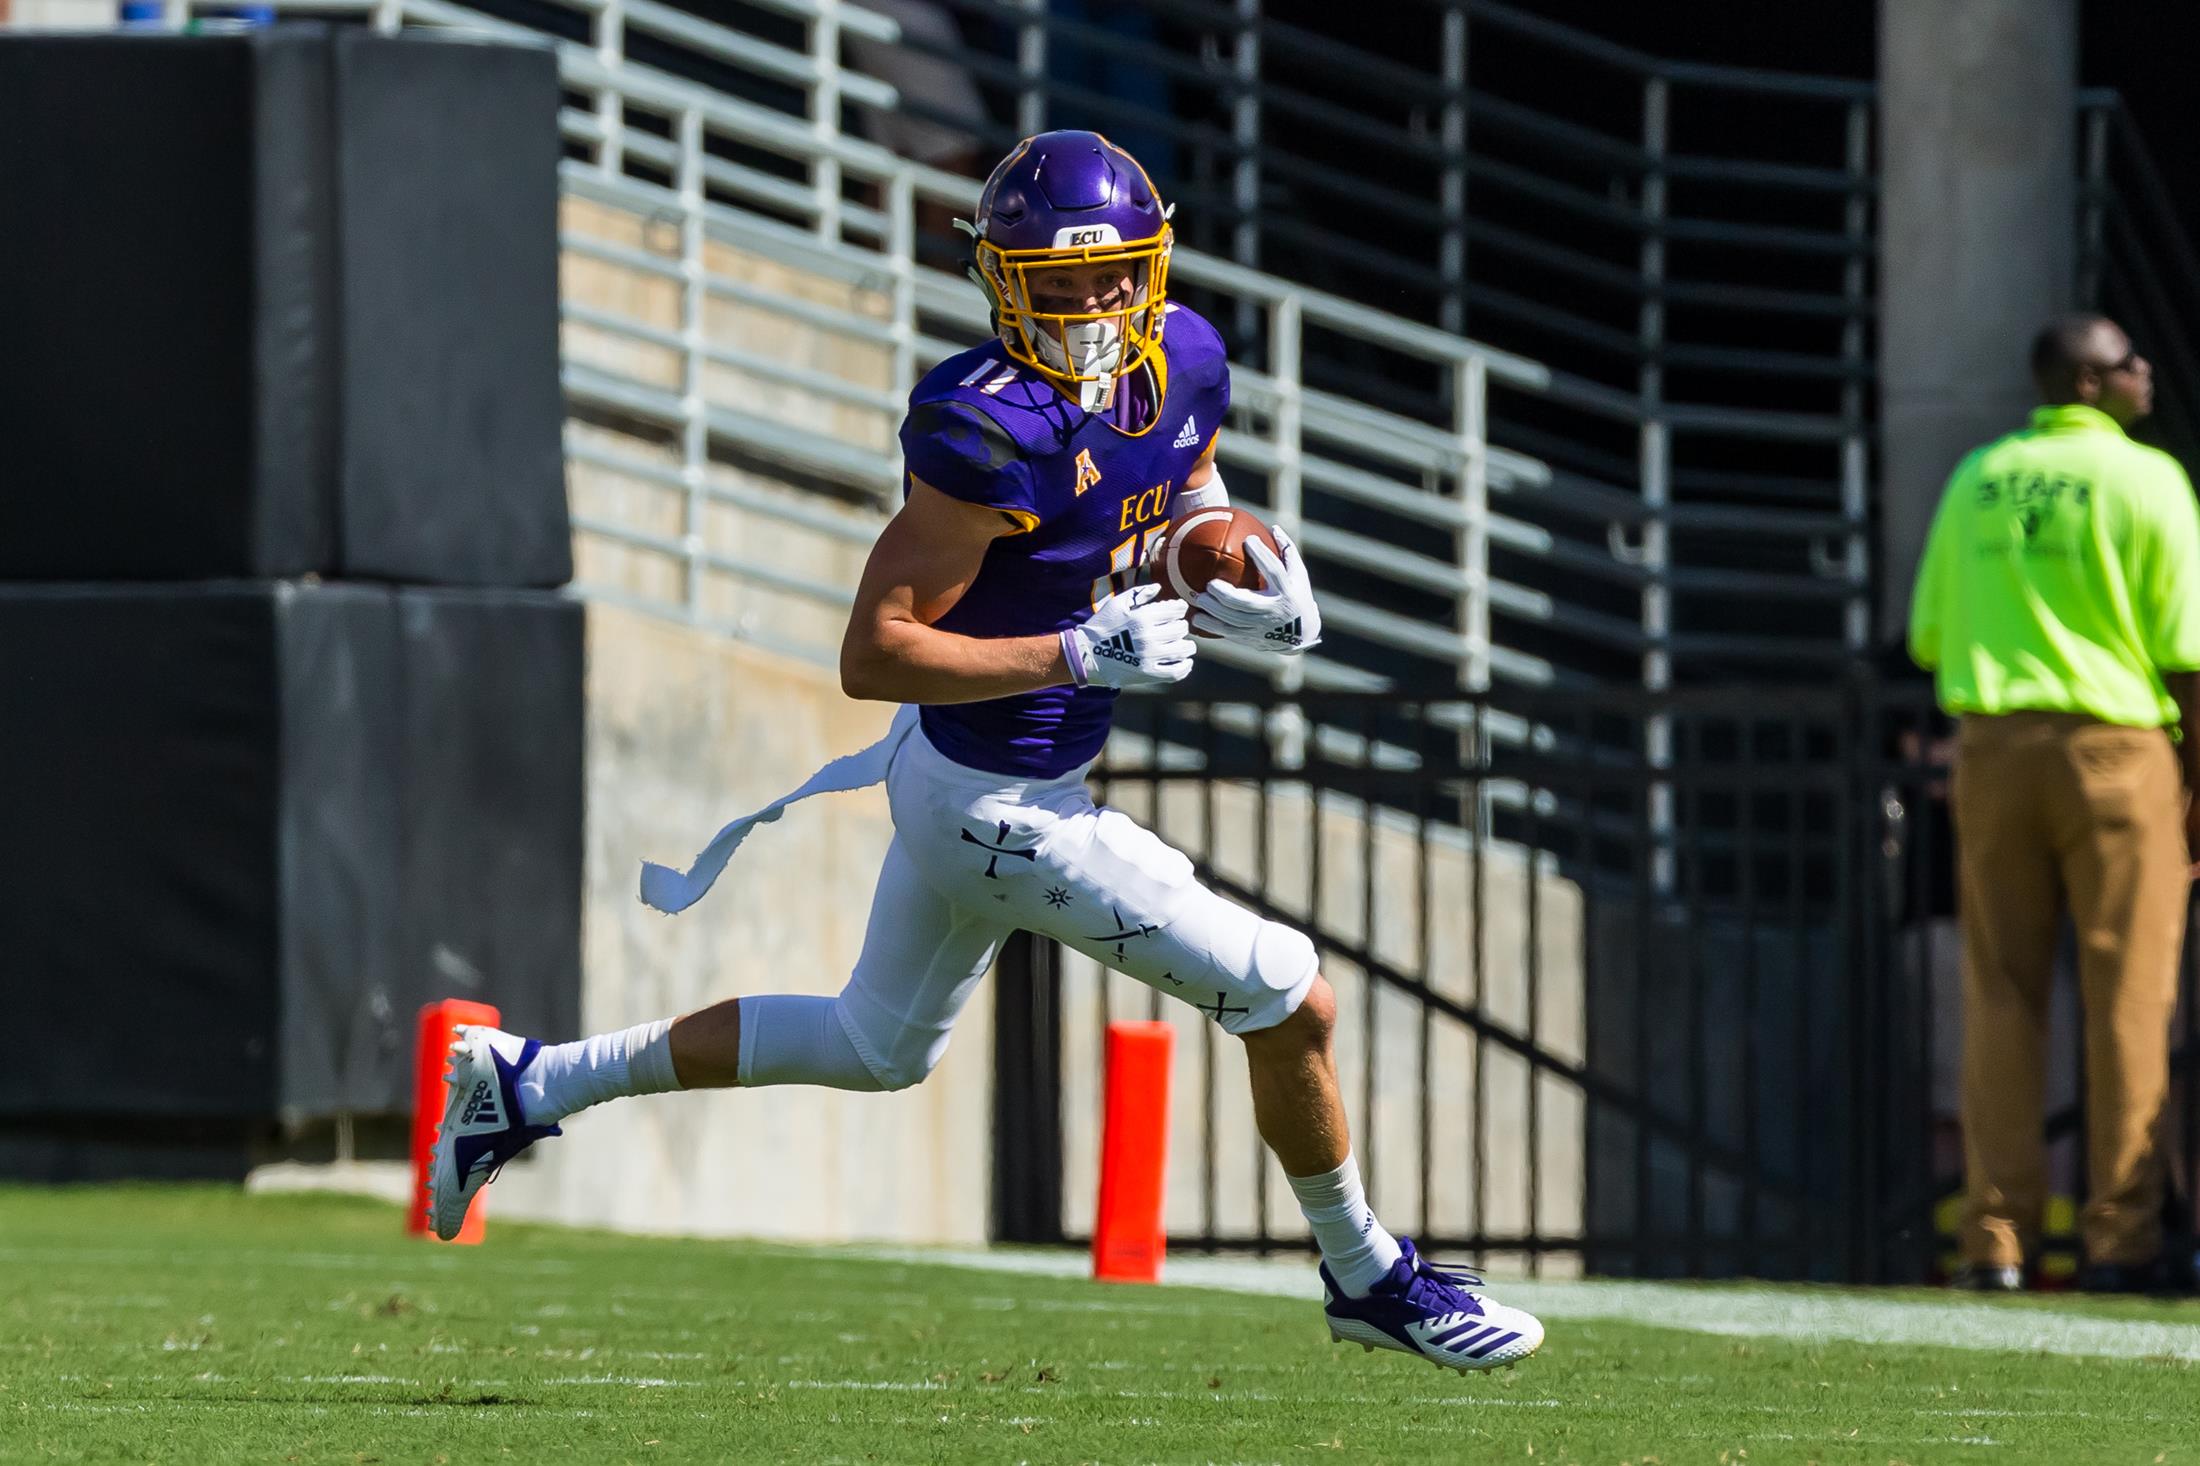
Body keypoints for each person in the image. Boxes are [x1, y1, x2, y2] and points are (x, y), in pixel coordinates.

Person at [428, 130, 1544, 1371]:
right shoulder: (985, 429)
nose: (1090, 305)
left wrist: (1230, 558)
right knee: (1290, 996)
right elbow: (874, 652)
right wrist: (1073, 652)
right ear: (1000, 281)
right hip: (994, 802)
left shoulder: (1184, 358)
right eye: (1056, 283)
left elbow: (1185, 486)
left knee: (871, 1045)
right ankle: (1367, 1275)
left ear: (1150, 267)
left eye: (1111, 275)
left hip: (987, 779)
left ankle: (530, 1081)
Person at [1909, 312, 2200, 1293]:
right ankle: (2122, 1238)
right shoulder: (2147, 479)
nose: (2144, 371)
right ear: (2087, 382)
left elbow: (1929, 635)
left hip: (1993, 749)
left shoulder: (1976, 478)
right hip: (2117, 748)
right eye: (2126, 362)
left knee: (2000, 995)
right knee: (2129, 1000)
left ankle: (1995, 1237)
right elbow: (2187, 649)